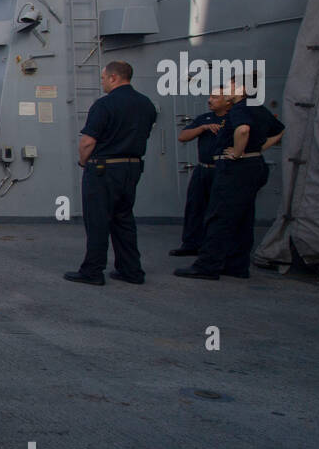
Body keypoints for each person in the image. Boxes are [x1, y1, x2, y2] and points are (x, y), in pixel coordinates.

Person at [175, 84, 285, 280]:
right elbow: (280, 131)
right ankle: (236, 265)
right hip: (254, 165)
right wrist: (257, 149)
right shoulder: (257, 108)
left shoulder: (239, 109)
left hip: (236, 169)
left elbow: (243, 130)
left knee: (218, 216)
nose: (225, 90)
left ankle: (207, 265)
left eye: (229, 87)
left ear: (241, 91)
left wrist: (237, 151)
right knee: (243, 217)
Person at [64, 60, 158, 285]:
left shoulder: (105, 105)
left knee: (98, 220)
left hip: (103, 168)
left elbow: (88, 141)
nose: (103, 82)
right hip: (132, 167)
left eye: (104, 78)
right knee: (124, 219)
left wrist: (83, 162)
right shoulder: (146, 104)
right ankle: (131, 270)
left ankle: (92, 271)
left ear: (114, 77)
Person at [170, 89, 234, 256]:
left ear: (227, 101)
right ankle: (190, 244)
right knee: (194, 208)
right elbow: (183, 136)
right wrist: (203, 128)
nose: (209, 100)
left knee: (219, 211)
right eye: (210, 96)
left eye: (215, 97)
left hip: (222, 171)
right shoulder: (204, 118)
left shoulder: (234, 119)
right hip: (202, 169)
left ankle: (216, 248)